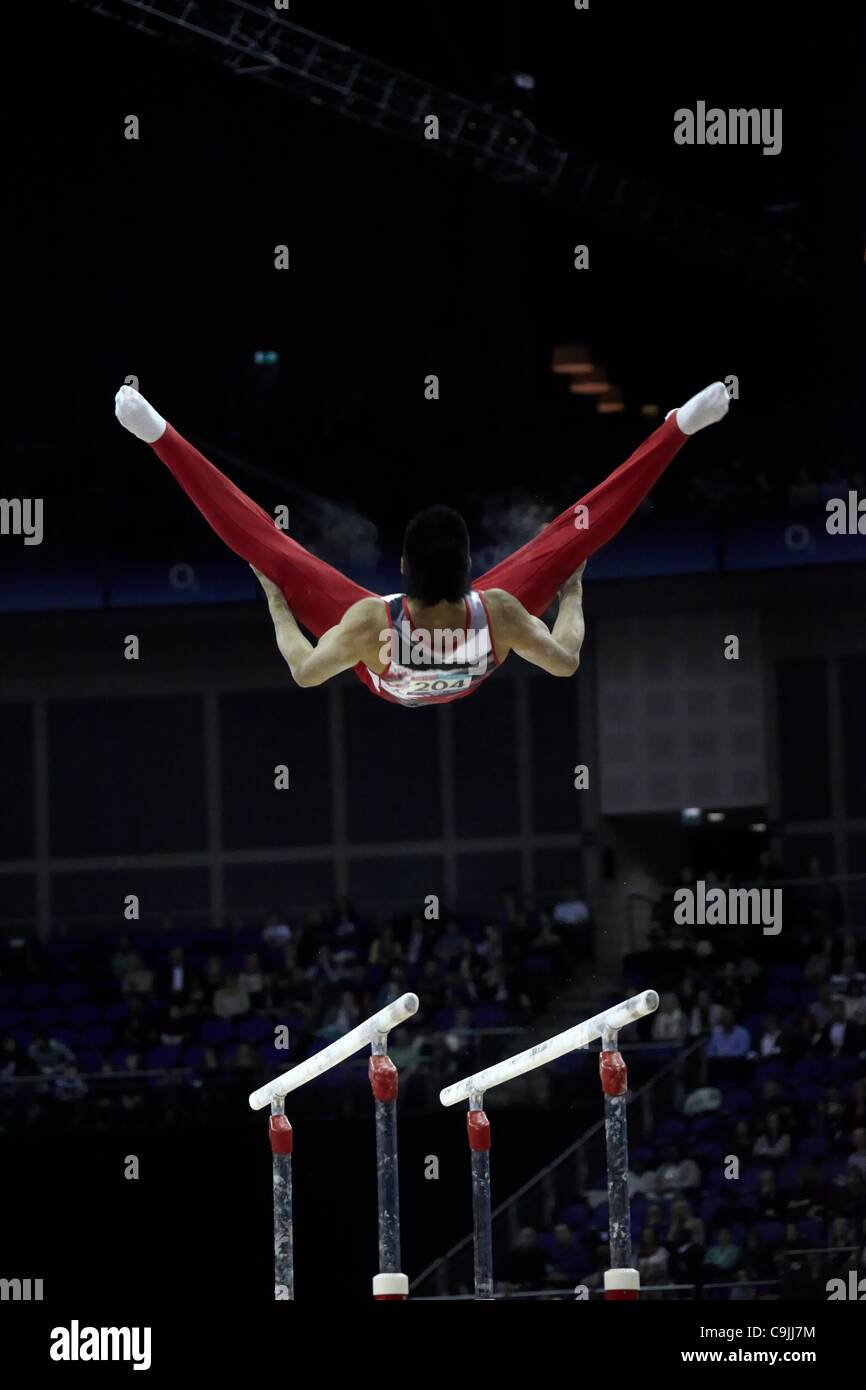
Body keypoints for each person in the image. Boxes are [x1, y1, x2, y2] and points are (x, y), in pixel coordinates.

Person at [115, 381, 730, 707]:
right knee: (569, 537)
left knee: (271, 550)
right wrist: (570, 595)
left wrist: (280, 604)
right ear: (472, 570)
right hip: (457, 645)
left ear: (403, 567)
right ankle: (677, 427)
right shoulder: (503, 613)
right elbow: (565, 661)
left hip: (383, 659)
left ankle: (160, 435)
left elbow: (306, 672)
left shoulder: (365, 624)